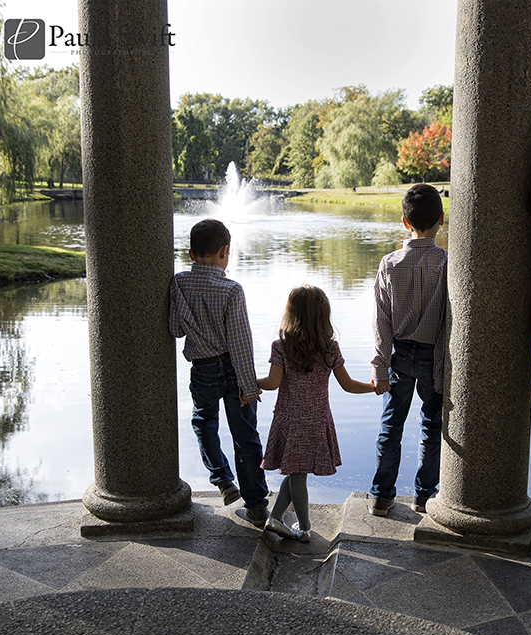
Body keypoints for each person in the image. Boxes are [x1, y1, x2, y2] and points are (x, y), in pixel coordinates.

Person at [169, 218, 269, 526]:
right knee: (246, 436)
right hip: (232, 369)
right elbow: (240, 342)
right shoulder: (232, 290)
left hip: (202, 369)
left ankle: (223, 480)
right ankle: (256, 505)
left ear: (191, 254)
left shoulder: (178, 283)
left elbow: (175, 329)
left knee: (204, 422)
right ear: (225, 251)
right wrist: (249, 386)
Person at [259, 285, 375, 541]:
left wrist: (248, 382)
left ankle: (276, 519)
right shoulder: (329, 348)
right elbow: (348, 385)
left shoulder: (281, 347)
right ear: (323, 315)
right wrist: (373, 387)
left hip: (288, 420)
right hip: (316, 420)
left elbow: (272, 383)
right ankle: (304, 528)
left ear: (291, 314)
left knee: (296, 471)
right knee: (297, 473)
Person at [368, 183, 448, 516]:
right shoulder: (447, 263)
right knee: (431, 427)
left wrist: (380, 368)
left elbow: (381, 321)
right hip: (433, 356)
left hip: (399, 355)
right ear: (441, 219)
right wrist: (442, 370)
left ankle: (381, 496)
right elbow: (448, 323)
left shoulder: (389, 263)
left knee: (391, 426)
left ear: (405, 221)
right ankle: (424, 495)